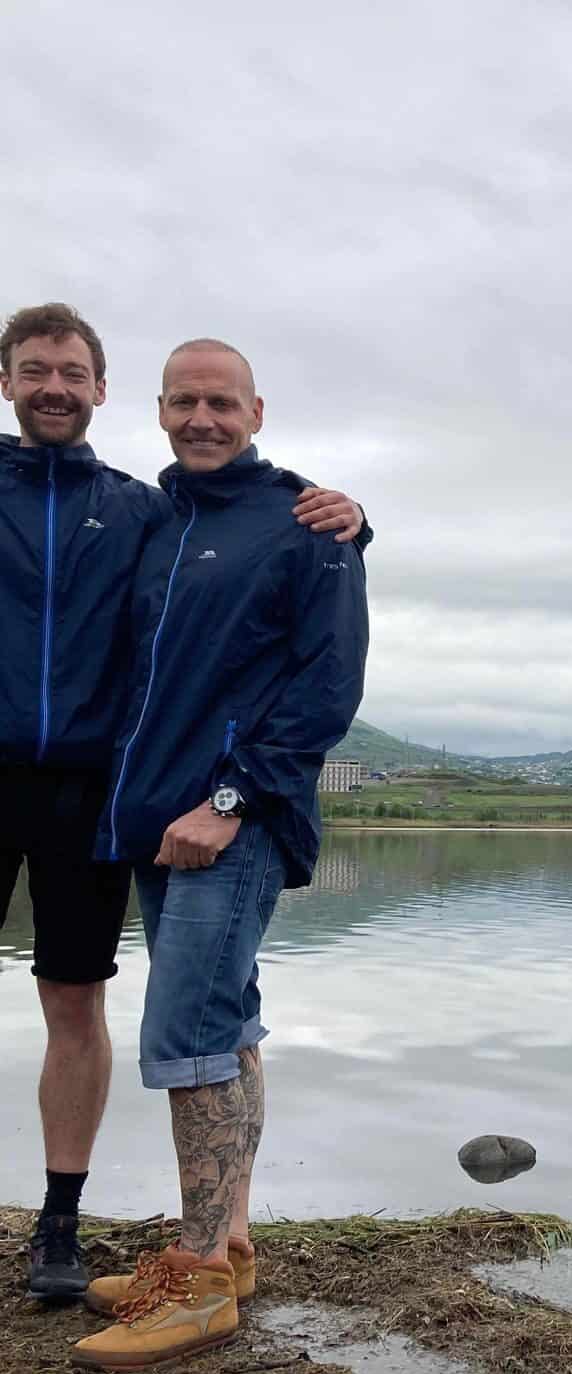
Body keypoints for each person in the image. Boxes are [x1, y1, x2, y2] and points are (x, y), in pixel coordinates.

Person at [0, 303, 367, 1304]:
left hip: (152, 803)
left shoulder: (200, 513)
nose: (54, 388)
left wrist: (349, 518)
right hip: (129, 805)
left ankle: (146, 1257)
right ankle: (224, 1250)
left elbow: (315, 652)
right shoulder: (156, 512)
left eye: (73, 373)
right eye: (35, 371)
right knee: (223, 1021)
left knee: (152, 1021)